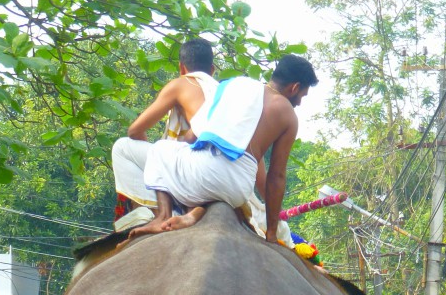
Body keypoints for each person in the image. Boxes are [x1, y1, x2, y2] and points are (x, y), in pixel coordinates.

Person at [134, 55, 318, 239]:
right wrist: (271, 233)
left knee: (160, 149)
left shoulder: (235, 86)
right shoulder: (289, 117)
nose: (299, 103)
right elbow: (276, 176)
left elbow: (191, 136)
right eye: (302, 96)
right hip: (239, 189)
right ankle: (196, 213)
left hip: (204, 173)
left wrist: (178, 161)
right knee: (209, 180)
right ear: (294, 88)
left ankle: (163, 216)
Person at [111, 37, 218, 231]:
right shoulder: (223, 92)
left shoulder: (181, 84)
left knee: (122, 147)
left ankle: (153, 215)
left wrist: (155, 156)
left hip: (191, 168)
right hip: (220, 172)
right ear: (212, 70)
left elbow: (135, 130)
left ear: (181, 67)